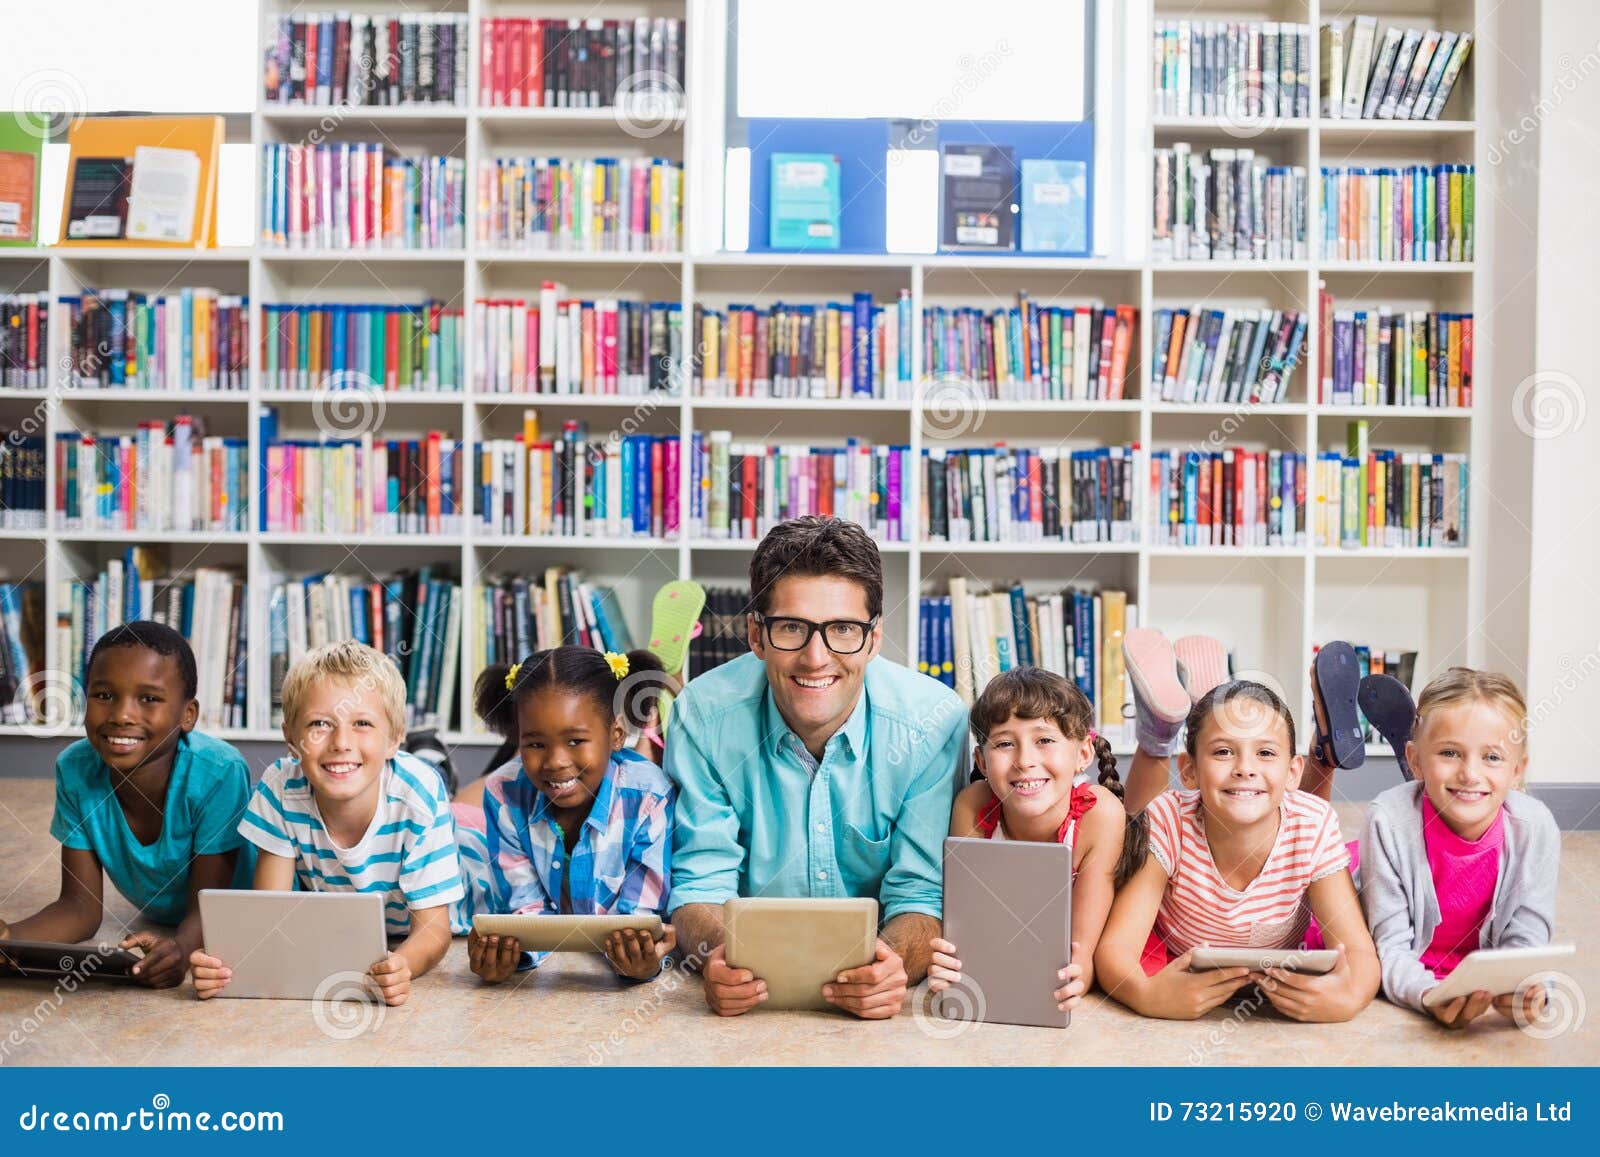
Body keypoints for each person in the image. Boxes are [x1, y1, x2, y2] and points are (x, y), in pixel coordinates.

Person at [665, 516, 967, 1019]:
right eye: (791, 628)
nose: (815, 657)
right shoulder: (701, 715)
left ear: (873, 639)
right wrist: (718, 956)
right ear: (755, 635)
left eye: (843, 629)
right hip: (749, 1006)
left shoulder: (935, 724)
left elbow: (923, 892)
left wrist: (893, 963)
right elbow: (701, 884)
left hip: (875, 1015)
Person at [189, 640, 481, 1006]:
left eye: (361, 723)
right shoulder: (280, 787)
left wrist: (401, 964)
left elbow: (433, 930)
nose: (341, 742)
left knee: (472, 815)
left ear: (393, 739)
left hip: (471, 865)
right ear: (291, 741)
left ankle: (436, 760)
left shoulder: (418, 798)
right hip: (358, 911)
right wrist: (228, 967)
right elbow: (271, 916)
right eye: (320, 724)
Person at [1095, 679, 1380, 1021]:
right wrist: (1145, 995)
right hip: (1179, 958)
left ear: (1292, 773)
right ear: (1188, 770)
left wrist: (1349, 998)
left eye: (1265, 753)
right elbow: (1115, 950)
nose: (1245, 768)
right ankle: (1157, 734)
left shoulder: (1313, 824)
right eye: (1223, 751)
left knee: (1335, 957)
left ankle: (1323, 747)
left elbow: (1362, 953)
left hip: (1283, 965)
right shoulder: (1169, 820)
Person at [0, 622, 253, 988]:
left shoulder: (218, 773)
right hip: (169, 919)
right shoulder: (75, 770)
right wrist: (9, 939)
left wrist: (181, 950)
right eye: (103, 695)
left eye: (148, 699)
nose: (121, 714)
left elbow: (210, 908)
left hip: (237, 914)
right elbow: (80, 908)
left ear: (188, 715)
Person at [926, 667, 1142, 1015]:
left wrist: (1078, 978)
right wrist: (947, 966)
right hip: (1004, 965)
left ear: (1083, 754)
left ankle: (1157, 736)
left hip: (1075, 961)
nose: (1025, 761)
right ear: (981, 760)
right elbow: (968, 927)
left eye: (1044, 740)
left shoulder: (1100, 813)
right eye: (1005, 744)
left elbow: (1083, 952)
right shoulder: (972, 804)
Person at [1359, 667, 1561, 1028]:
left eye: (1492, 757)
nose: (1470, 773)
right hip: (1363, 869)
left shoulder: (1536, 826)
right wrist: (1427, 994)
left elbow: (1529, 937)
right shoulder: (1385, 821)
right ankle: (1324, 752)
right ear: (1414, 760)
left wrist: (1528, 988)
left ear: (1518, 770)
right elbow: (1390, 948)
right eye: (1450, 752)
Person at [465, 645, 676, 984]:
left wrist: (639, 957)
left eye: (576, 741)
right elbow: (525, 909)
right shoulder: (503, 793)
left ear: (616, 735)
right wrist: (513, 952)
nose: (555, 762)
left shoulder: (648, 796)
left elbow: (639, 919)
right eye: (535, 744)